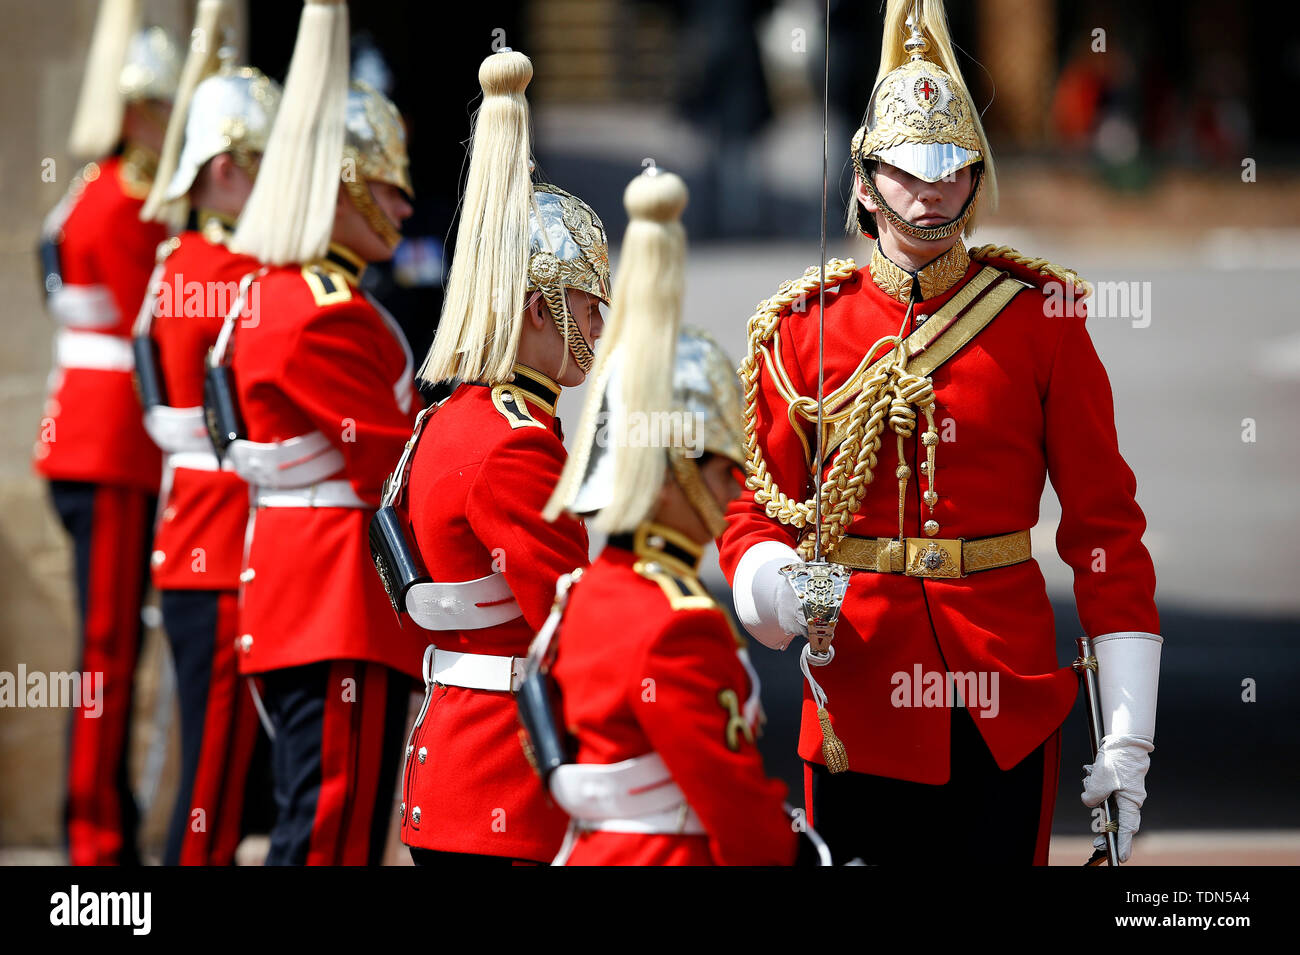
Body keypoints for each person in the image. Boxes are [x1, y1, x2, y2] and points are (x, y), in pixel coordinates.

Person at [720, 0, 1161, 865]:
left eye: (953, 170)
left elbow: (1106, 532)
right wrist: (782, 589)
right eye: (907, 173)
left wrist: (1128, 738)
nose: (931, 193)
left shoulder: (1042, 319)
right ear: (863, 180)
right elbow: (754, 517)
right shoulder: (801, 330)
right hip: (860, 693)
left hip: (1005, 700)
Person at [377, 49, 607, 866]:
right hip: (504, 787)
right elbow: (572, 626)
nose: (600, 326)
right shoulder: (513, 444)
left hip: (451, 777)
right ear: (534, 309)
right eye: (587, 305)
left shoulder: (452, 418)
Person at [532, 167, 801, 866]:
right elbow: (736, 811)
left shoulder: (586, 594)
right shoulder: (679, 624)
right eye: (715, 468)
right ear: (663, 476)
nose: (733, 486)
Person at [212, 0, 422, 865]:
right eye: (388, 185)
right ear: (339, 181)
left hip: (294, 590)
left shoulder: (271, 294)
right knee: (331, 835)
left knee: (315, 824)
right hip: (339, 599)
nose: (405, 207)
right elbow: (394, 459)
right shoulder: (329, 317)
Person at [133, 0, 280, 865]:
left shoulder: (177, 263)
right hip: (224, 537)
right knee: (217, 775)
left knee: (217, 762)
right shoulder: (229, 272)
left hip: (197, 530)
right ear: (226, 170)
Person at [34, 0, 180, 866]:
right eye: (165, 108)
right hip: (114, 447)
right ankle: (93, 838)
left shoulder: (93, 186)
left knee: (109, 646)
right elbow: (149, 322)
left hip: (86, 441)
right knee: (109, 651)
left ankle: (104, 816)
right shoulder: (126, 199)